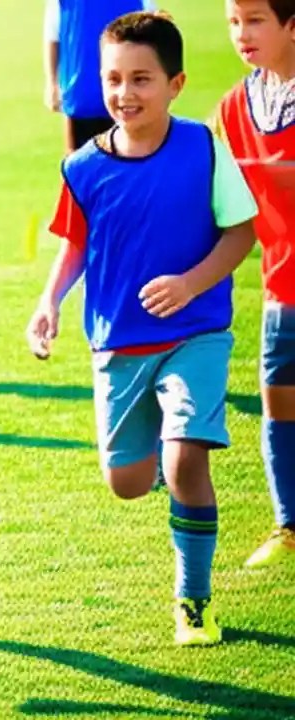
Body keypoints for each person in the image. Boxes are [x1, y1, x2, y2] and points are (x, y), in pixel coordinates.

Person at [27, 11, 258, 646]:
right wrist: (47, 302)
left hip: (197, 332)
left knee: (187, 461)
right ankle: (151, 455)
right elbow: (74, 247)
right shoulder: (81, 167)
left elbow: (242, 231)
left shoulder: (204, 147)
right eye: (112, 79)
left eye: (141, 79)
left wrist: (191, 283)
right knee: (127, 483)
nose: (124, 94)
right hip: (119, 341)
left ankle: (194, 600)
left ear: (176, 83)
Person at [216, 0, 295, 568]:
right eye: (233, 21)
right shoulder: (234, 106)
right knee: (279, 400)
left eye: (255, 20)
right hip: (279, 285)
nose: (241, 34)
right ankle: (289, 524)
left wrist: (261, 169)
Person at [44, 0, 155, 151]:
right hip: (82, 91)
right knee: (78, 164)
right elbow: (53, 31)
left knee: (130, 160)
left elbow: (154, 29)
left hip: (128, 92)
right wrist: (52, 83)